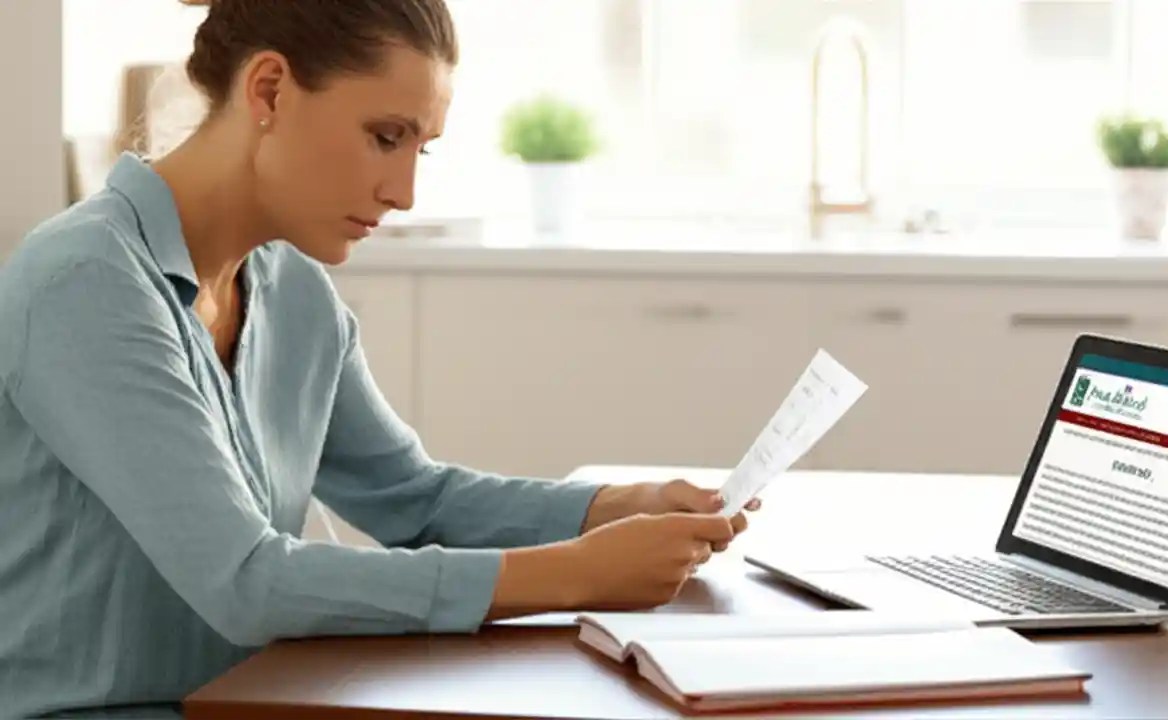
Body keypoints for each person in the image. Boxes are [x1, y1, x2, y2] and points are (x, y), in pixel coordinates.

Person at [0, 1, 760, 716]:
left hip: (263, 700)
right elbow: (247, 582)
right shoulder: (85, 282)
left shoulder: (294, 292)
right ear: (269, 89)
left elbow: (414, 500)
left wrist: (613, 508)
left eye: (420, 148)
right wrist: (578, 571)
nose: (405, 193)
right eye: (385, 136)